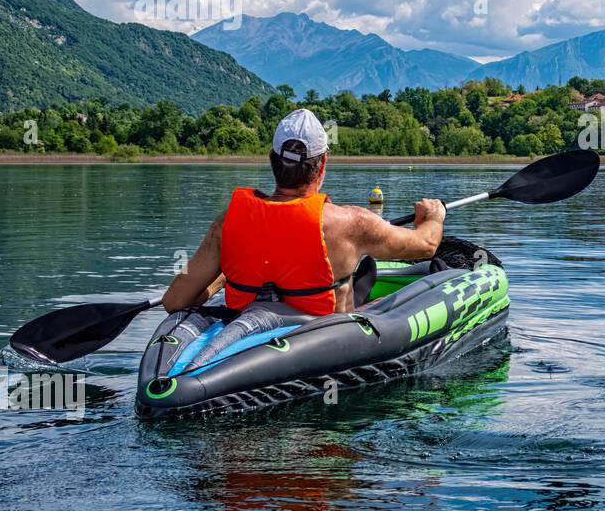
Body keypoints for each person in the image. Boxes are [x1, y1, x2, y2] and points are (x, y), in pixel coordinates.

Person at [154, 109, 445, 368]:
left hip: (247, 346)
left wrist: (223, 276)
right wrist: (433, 216)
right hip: (322, 347)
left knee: (365, 271)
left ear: (272, 160)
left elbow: (175, 300)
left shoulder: (229, 219)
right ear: (322, 164)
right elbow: (426, 245)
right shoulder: (351, 222)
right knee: (365, 270)